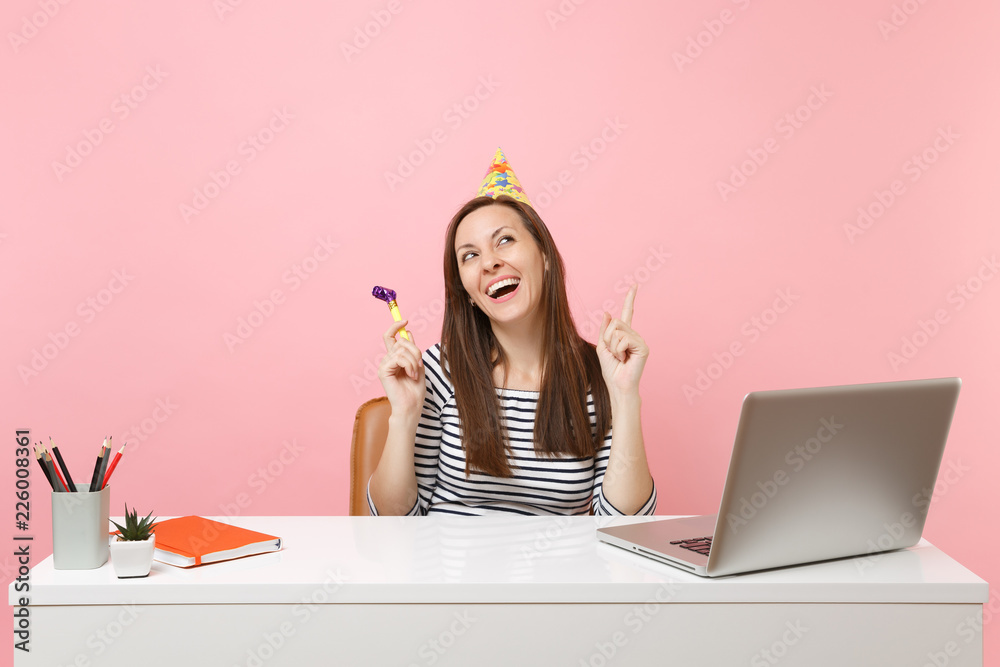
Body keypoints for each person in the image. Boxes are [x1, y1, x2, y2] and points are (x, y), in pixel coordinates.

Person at [368, 149, 655, 516]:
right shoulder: (438, 371)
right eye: (469, 256)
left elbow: (622, 522)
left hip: (560, 573)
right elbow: (392, 523)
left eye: (504, 240)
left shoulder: (600, 372)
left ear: (545, 256)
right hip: (445, 572)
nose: (489, 262)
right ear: (468, 293)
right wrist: (405, 413)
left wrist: (625, 396)